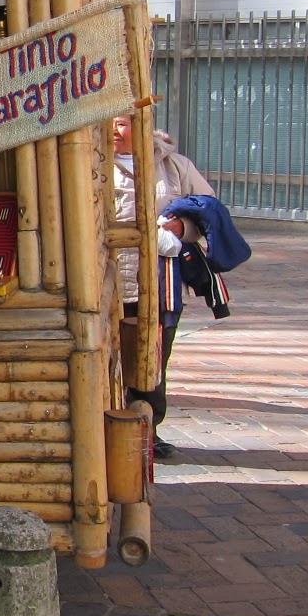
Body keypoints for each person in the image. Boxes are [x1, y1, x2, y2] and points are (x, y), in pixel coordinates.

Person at [113, 113, 215, 461]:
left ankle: (147, 431)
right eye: (109, 122)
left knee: (153, 358)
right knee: (110, 358)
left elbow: (209, 210)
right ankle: (110, 429)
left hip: (159, 282)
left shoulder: (174, 165)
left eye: (122, 122)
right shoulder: (89, 160)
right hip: (109, 282)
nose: (115, 130)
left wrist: (179, 228)